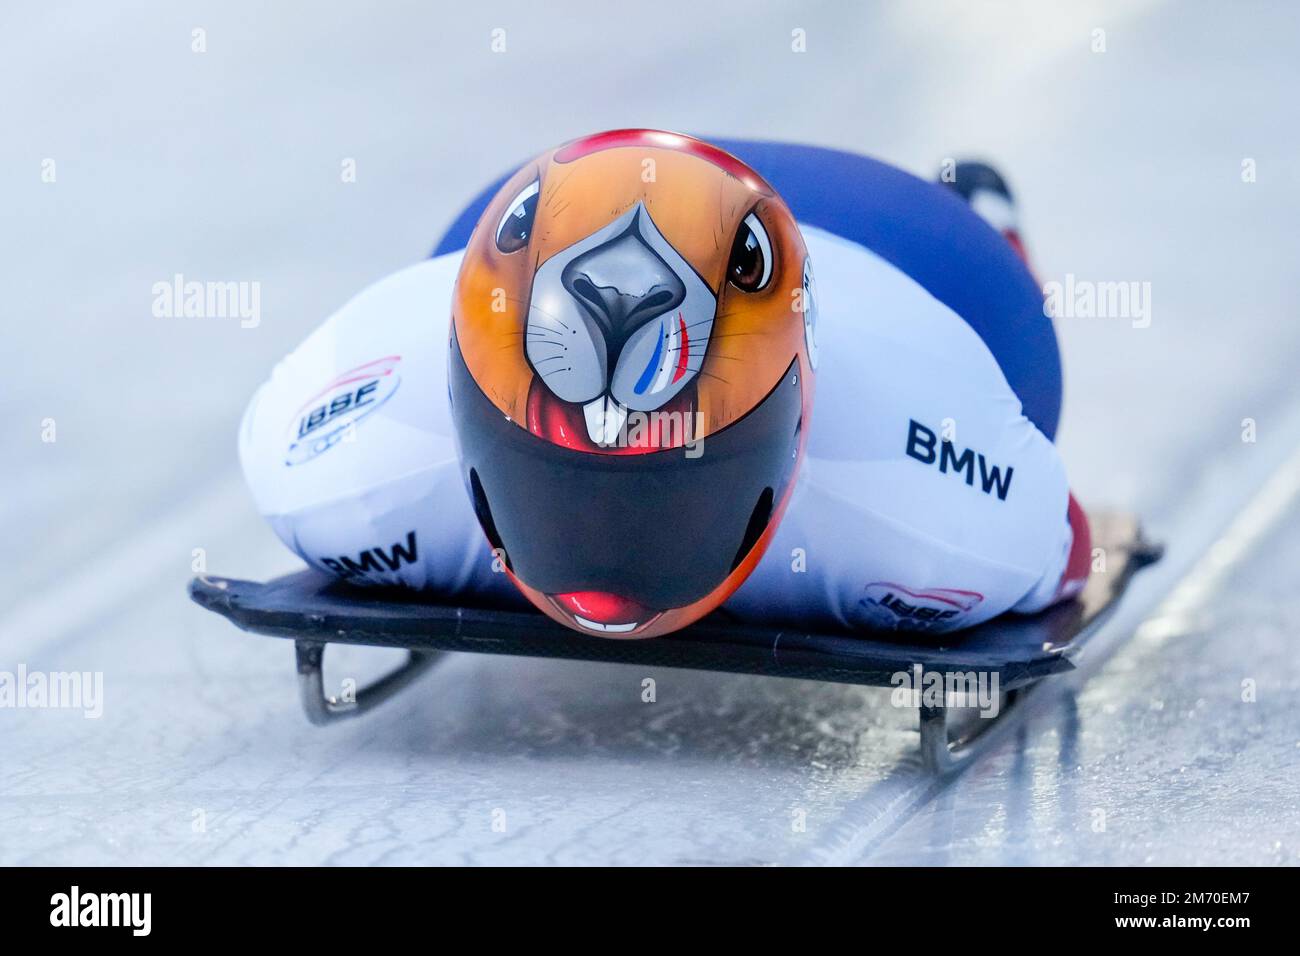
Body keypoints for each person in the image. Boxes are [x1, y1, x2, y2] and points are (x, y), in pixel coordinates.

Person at [239, 129, 1090, 638]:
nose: (608, 559)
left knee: (1025, 372)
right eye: (557, 484)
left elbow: (1066, 542)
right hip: (550, 218)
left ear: (798, 414)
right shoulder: (330, 464)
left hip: (917, 259)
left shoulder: (946, 515)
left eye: (668, 497)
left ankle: (995, 233)